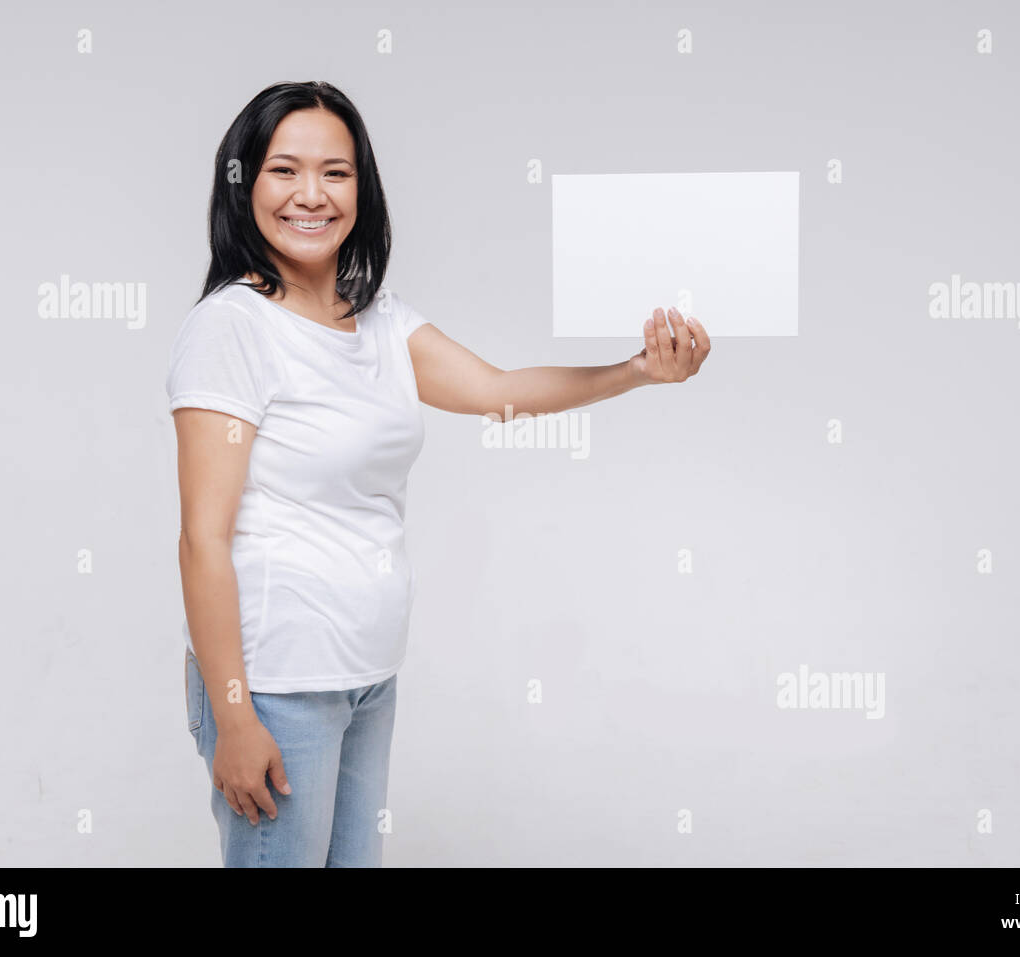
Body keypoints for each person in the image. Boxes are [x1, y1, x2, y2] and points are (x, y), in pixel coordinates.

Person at [167, 80, 711, 867]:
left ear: (364, 187)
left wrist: (639, 371)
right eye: (284, 171)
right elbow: (202, 540)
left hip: (366, 675)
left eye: (337, 172)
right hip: (278, 685)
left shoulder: (381, 318)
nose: (311, 195)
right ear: (243, 182)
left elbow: (498, 394)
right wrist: (236, 716)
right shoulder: (231, 328)